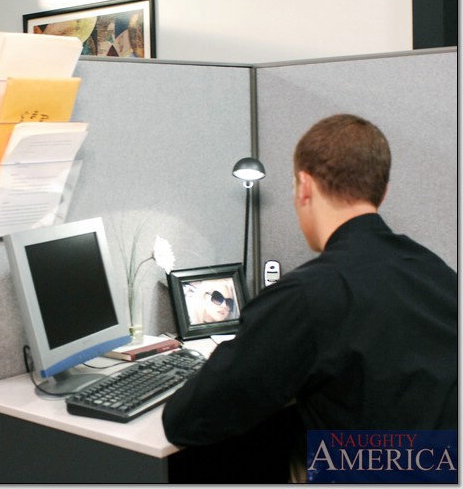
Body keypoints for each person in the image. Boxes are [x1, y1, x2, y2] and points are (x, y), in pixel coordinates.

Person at [162, 114, 457, 482]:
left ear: (304, 186)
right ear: (383, 192)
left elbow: (185, 422)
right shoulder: (435, 271)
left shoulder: (308, 294)